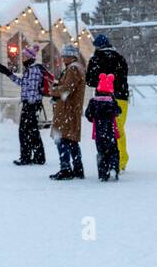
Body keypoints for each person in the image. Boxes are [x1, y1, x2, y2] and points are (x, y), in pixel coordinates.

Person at [85, 34, 130, 171]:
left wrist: (102, 82)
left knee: (103, 132)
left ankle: (107, 161)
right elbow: (124, 77)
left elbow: (90, 81)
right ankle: (121, 160)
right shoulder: (120, 58)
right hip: (121, 97)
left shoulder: (96, 59)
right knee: (119, 129)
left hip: (102, 99)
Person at [0, 44, 47, 166]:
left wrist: (29, 105)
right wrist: (8, 73)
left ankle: (27, 157)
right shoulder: (30, 69)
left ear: (30, 57)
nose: (22, 57)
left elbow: (31, 89)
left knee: (25, 131)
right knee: (32, 131)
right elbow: (23, 84)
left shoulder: (33, 70)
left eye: (24, 55)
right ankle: (38, 157)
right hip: (32, 104)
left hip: (31, 104)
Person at [49, 45, 86, 180]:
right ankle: (77, 168)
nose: (63, 57)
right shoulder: (76, 68)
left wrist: (53, 91)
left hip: (67, 109)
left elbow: (67, 89)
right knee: (71, 140)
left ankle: (66, 169)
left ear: (72, 56)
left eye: (65, 55)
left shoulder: (73, 69)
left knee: (62, 139)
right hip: (70, 109)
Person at [85, 73, 122, 181]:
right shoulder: (112, 102)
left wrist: (93, 119)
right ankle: (114, 168)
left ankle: (103, 173)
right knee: (114, 151)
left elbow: (88, 114)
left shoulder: (93, 102)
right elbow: (118, 111)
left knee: (101, 152)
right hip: (111, 132)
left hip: (98, 133)